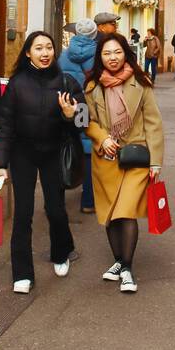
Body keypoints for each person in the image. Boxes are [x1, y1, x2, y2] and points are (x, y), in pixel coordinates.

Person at [0, 31, 84, 293]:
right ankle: (22, 273)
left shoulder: (66, 80)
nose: (45, 53)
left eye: (49, 48)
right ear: (28, 53)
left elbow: (84, 122)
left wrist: (70, 114)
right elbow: (4, 125)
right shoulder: (18, 84)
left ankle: (61, 251)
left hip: (54, 152)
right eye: (39, 48)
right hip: (23, 154)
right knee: (23, 213)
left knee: (55, 209)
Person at [85, 33, 165, 293]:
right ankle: (118, 262)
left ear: (126, 53)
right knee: (111, 215)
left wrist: (156, 161)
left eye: (117, 52)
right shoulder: (92, 86)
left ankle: (127, 268)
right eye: (107, 53)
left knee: (126, 211)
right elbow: (86, 121)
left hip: (136, 158)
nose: (112, 58)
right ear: (100, 57)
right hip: (106, 159)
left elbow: (153, 122)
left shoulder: (141, 82)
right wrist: (102, 138)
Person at [58, 18, 98, 212]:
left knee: (67, 144)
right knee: (88, 147)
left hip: (68, 105)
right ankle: (88, 201)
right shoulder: (98, 55)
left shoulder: (64, 54)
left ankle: (58, 196)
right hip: (87, 107)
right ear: (93, 35)